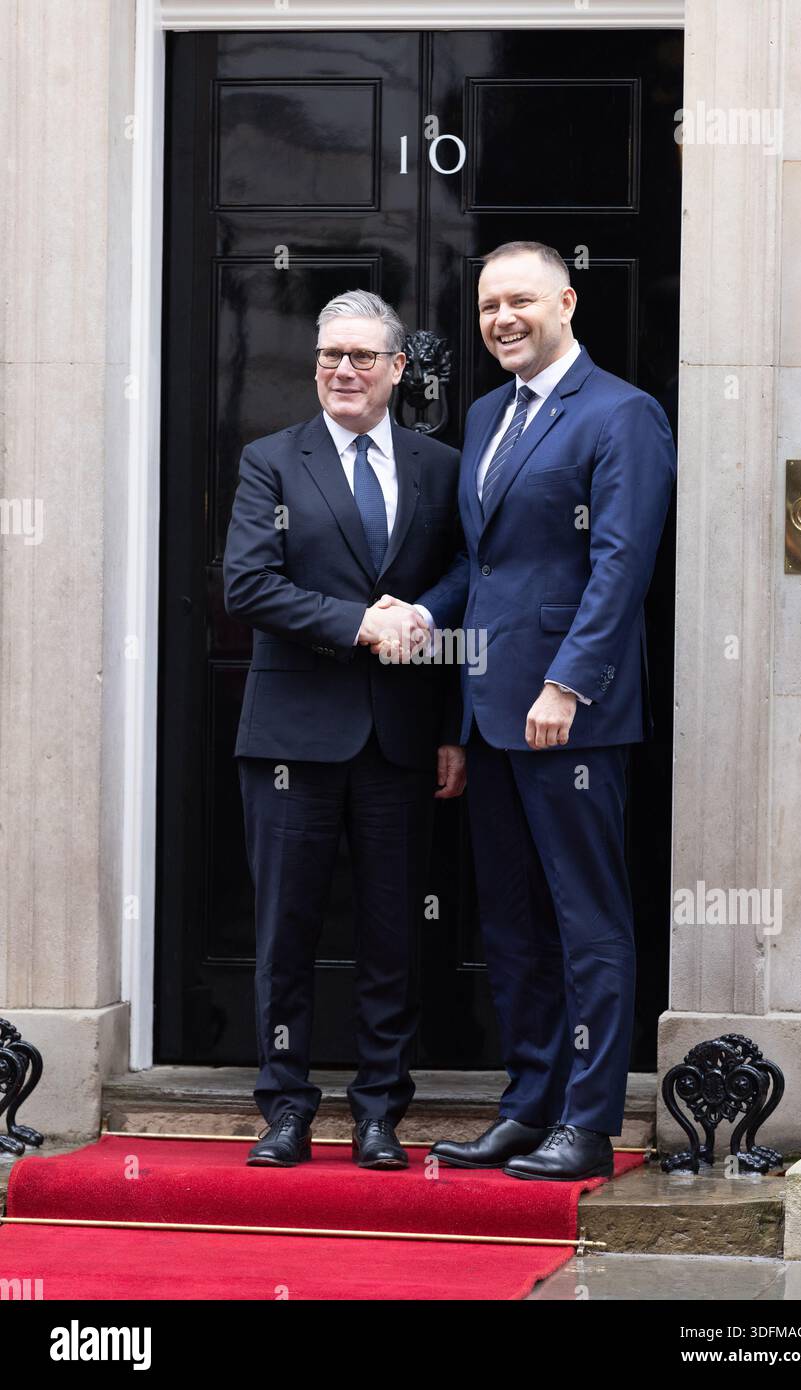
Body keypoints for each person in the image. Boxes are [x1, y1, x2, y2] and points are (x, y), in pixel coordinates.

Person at [414, 241, 676, 1180]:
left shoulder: (623, 414)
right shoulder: (486, 416)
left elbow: (620, 565)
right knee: (514, 922)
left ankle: (590, 1119)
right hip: (489, 715)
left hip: (574, 716)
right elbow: (479, 575)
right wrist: (427, 631)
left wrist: (567, 683)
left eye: (520, 300)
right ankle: (528, 1107)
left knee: (586, 916)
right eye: (489, 306)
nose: (502, 320)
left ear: (567, 301)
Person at [223, 289, 466, 1171]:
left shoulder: (437, 467)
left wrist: (437, 668)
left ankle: (378, 1112)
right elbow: (247, 586)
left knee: (393, 932)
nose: (344, 372)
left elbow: (464, 576)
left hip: (401, 740)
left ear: (397, 370)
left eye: (363, 357)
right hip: (292, 740)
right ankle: (284, 1107)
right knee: (286, 930)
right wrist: (360, 623)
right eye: (331, 356)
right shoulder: (271, 462)